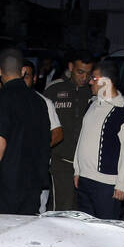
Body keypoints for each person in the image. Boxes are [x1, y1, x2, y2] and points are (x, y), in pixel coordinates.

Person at [0, 48, 50, 214]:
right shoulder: (39, 101)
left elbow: (0, 141)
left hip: (8, 181)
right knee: (23, 234)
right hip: (34, 181)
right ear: (22, 71)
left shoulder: (2, 97)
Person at [73, 61, 124, 219]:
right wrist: (78, 170)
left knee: (106, 230)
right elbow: (83, 138)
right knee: (83, 226)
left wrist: (122, 184)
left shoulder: (123, 113)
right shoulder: (92, 104)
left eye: (94, 79)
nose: (90, 82)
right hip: (85, 179)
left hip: (106, 185)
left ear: (106, 81)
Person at [47, 51, 94, 210]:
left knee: (80, 209)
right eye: (80, 72)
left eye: (88, 74)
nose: (84, 77)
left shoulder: (93, 92)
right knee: (61, 207)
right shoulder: (54, 89)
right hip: (61, 160)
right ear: (71, 67)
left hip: (86, 162)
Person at [21, 59, 63, 211]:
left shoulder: (44, 102)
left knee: (36, 211)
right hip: (12, 169)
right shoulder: (8, 99)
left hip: (36, 168)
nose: (22, 79)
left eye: (26, 76)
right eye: (20, 75)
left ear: (34, 78)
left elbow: (57, 134)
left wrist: (36, 150)